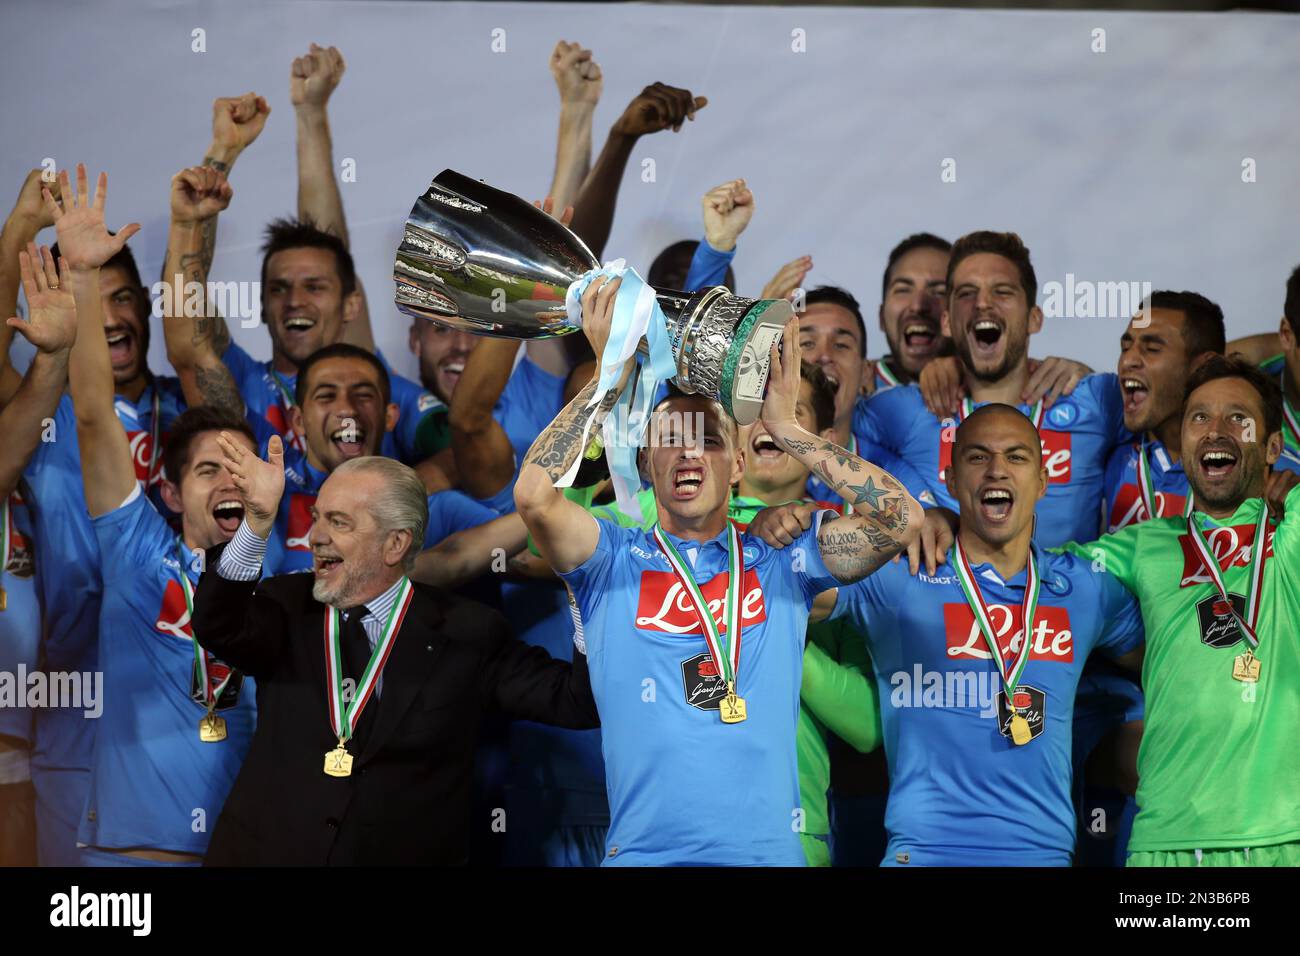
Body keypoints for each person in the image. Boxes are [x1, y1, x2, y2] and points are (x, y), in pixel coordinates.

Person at [515, 275, 922, 865]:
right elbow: (533, 496)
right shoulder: (609, 560)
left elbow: (900, 520)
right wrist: (607, 380)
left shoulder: (783, 561)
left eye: (707, 439)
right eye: (669, 440)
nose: (686, 452)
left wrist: (789, 431)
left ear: (736, 466)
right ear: (647, 465)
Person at [756, 404, 1144, 865]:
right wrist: (771, 524)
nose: (997, 470)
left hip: (1043, 857)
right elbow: (781, 584)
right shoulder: (899, 574)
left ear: (1042, 482)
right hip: (921, 855)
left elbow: (1161, 660)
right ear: (952, 477)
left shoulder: (1085, 587)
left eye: (1017, 457)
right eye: (978, 457)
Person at [188, 443, 599, 865]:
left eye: (338, 522)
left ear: (395, 543)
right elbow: (216, 625)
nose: (315, 537)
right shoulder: (287, 606)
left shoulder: (470, 633)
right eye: (317, 519)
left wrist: (582, 593)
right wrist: (256, 525)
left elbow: (576, 701)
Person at [8, 166, 187, 865]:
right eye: (92, 296)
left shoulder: (191, 415)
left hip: (177, 702)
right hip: (75, 705)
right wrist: (20, 232)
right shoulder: (37, 419)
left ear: (146, 306)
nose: (111, 318)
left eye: (125, 297)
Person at [1064, 356, 1300, 866]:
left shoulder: (1292, 528)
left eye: (1238, 419)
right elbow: (1034, 570)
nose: (1215, 431)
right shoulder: (1143, 544)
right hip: (1164, 841)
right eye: (1199, 418)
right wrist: (944, 520)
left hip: (1281, 838)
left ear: (1274, 447)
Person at [857, 231, 1126, 548]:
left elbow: (1180, 405)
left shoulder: (1094, 398)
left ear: (1033, 318)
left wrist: (1086, 374)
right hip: (952, 597)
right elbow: (817, 428)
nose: (983, 303)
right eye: (967, 293)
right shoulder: (909, 408)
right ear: (946, 321)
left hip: (1067, 595)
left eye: (1002, 292)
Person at [260, 342, 496, 575]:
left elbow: (526, 555)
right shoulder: (266, 496)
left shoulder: (430, 507)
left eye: (363, 396)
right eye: (327, 396)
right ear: (299, 421)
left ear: (389, 417)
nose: (347, 410)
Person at [0, 243, 80, 865]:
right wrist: (21, 226)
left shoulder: (27, 492)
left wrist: (52, 354)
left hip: (18, 752)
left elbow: (25, 422)